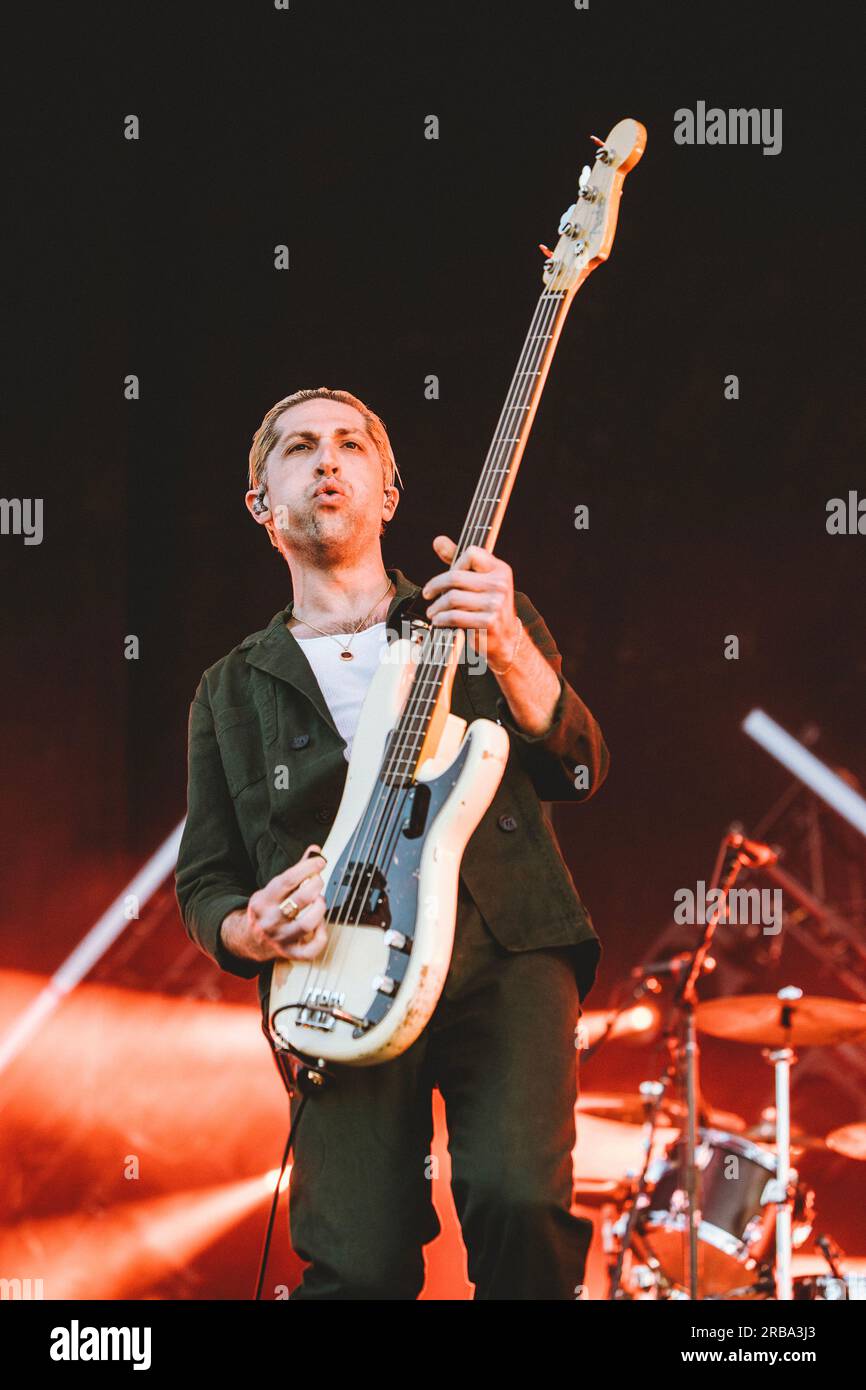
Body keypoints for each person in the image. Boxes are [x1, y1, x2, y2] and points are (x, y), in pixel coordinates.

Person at [175, 386, 610, 1299]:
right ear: (264, 507)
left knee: (520, 1203)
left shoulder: (475, 612)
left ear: (389, 493)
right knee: (355, 1266)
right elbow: (208, 878)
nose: (327, 461)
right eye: (298, 448)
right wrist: (245, 929)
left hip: (506, 946)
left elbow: (580, 766)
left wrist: (509, 647)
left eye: (350, 445)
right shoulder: (228, 690)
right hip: (335, 972)